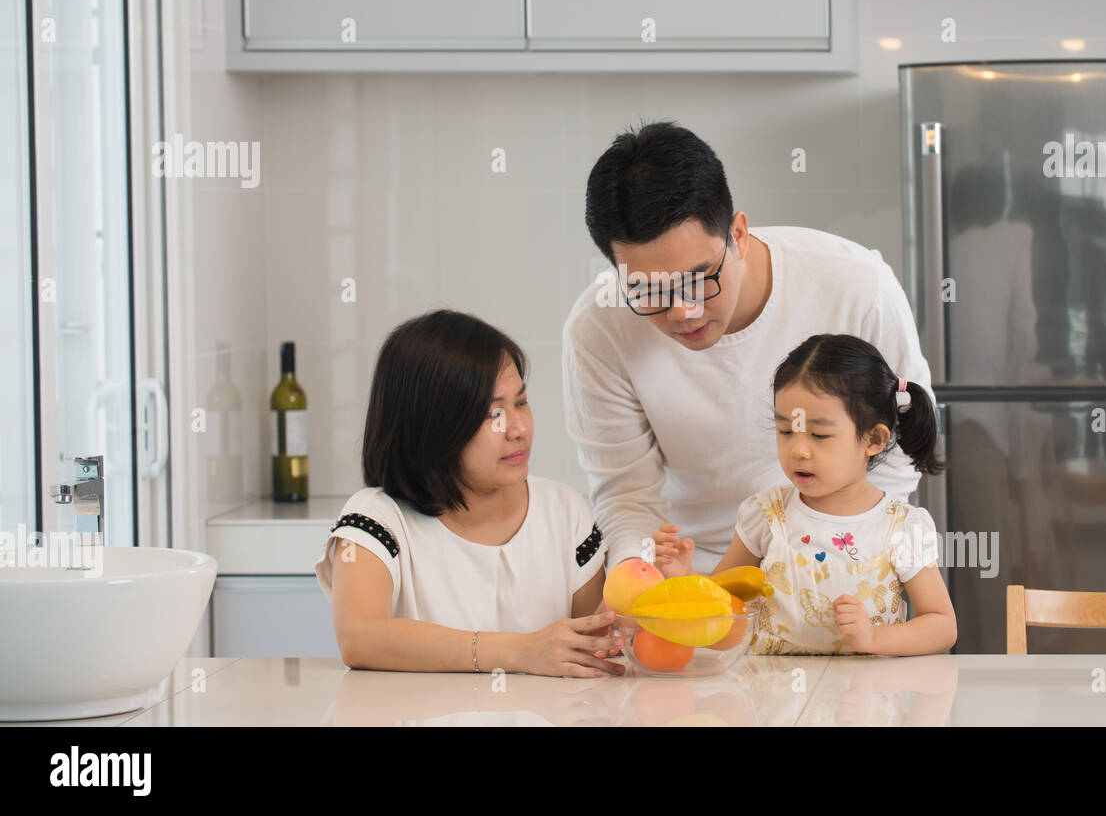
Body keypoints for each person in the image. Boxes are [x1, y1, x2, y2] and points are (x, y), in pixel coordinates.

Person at [562, 120, 936, 576]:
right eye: (648, 291)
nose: (683, 311)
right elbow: (626, 496)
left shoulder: (854, 285)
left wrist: (835, 559)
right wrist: (636, 574)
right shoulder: (599, 328)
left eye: (699, 280)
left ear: (737, 234)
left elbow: (899, 449)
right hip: (691, 583)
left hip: (837, 568)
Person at [315, 309, 625, 677]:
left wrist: (646, 594)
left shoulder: (564, 511)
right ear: (432, 425)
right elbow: (360, 637)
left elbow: (597, 648)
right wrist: (521, 651)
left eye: (521, 403)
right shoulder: (376, 520)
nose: (518, 429)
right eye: (493, 413)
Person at [654, 334, 957, 656]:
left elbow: (941, 625)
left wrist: (875, 638)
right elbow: (721, 623)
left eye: (819, 434)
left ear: (873, 439)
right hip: (773, 702)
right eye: (786, 431)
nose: (798, 450)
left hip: (867, 700)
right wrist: (683, 582)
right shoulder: (766, 513)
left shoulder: (900, 526)